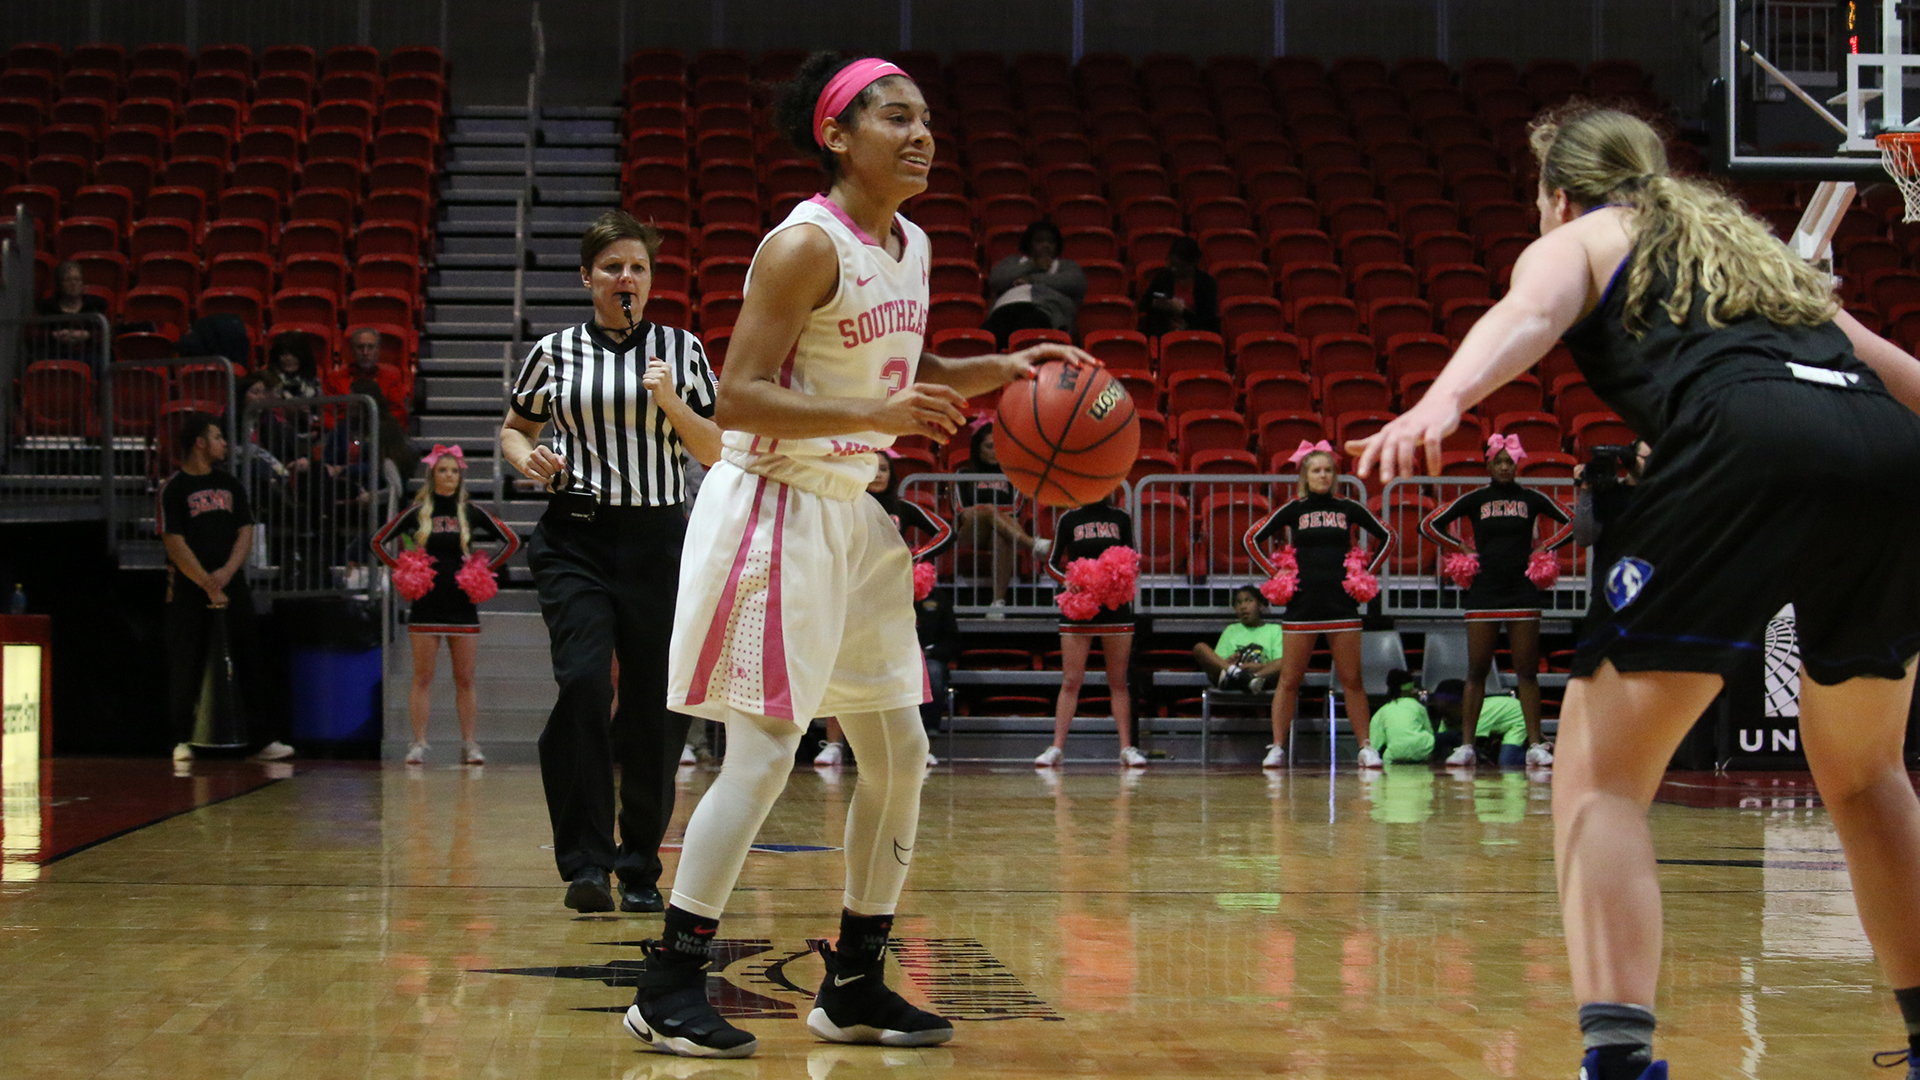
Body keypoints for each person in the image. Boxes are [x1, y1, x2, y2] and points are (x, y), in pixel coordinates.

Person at [1349, 104, 1920, 1080]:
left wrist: (1441, 400)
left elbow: (1526, 313)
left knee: (1602, 780)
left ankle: (1619, 1063)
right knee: (1869, 777)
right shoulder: (1754, 251)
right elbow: (1897, 373)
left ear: (1560, 193)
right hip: (1885, 454)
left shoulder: (1587, 232)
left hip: (1746, 442)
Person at [628, 52, 1097, 1059]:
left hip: (852, 518)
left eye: (925, 117)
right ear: (837, 136)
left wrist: (997, 370)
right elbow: (738, 394)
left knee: (901, 753)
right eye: (895, 117)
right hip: (772, 506)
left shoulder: (913, 244)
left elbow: (897, 367)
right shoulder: (802, 244)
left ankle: (852, 983)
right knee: (761, 754)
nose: (919, 134)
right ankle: (666, 982)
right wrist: (875, 413)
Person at [502, 208, 723, 916]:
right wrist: (527, 460)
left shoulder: (682, 351)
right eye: (612, 267)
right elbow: (514, 428)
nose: (626, 278)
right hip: (577, 535)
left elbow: (714, 450)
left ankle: (640, 866)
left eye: (638, 267)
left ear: (651, 279)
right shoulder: (555, 351)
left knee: (657, 710)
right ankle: (585, 862)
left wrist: (670, 402)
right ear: (587, 278)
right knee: (584, 686)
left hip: (658, 540)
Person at [1421, 434, 1572, 768]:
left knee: (1526, 671)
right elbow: (1429, 524)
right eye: (1498, 462)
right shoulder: (1476, 499)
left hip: (1522, 591)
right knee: (1476, 670)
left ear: (1517, 464)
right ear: (1488, 464)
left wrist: (1544, 546)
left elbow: (1571, 522)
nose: (1504, 467)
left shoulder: (1532, 498)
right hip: (1484, 591)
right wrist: (1459, 546)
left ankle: (1535, 743)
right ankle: (1467, 746)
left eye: (1509, 462)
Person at [1243, 445, 1393, 768]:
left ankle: (1366, 747)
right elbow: (1251, 538)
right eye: (1316, 470)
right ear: (1305, 476)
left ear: (1335, 475)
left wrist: (1366, 572)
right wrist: (1276, 573)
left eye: (1327, 470)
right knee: (1289, 679)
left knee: (1352, 679)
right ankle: (1278, 746)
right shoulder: (1294, 509)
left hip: (1342, 604)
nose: (1322, 475)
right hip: (1302, 605)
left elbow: (1387, 536)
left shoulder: (1348, 507)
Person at [372, 445, 521, 766]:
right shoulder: (418, 512)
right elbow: (378, 541)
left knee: (465, 678)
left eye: (454, 470)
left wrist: (484, 570)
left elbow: (511, 540)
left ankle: (470, 743)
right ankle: (419, 743)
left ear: (460, 476)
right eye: (443, 470)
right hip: (426, 603)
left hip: (462, 603)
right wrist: (402, 569)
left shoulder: (470, 511)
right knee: (422, 677)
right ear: (433, 475)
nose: (449, 475)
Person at [159, 411, 293, 765]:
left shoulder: (231, 485)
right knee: (187, 662)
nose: (224, 444)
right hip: (190, 590)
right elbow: (174, 541)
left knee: (249, 658)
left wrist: (227, 572)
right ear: (200, 443)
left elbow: (245, 530)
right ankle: (182, 739)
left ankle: (261, 739)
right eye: (217, 437)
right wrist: (205, 580)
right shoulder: (174, 489)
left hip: (231, 585)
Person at [815, 451, 955, 767]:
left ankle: (912, 743)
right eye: (872, 468)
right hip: (851, 593)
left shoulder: (903, 508)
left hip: (891, 599)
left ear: (892, 474)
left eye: (884, 469)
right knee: (843, 666)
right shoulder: (843, 504)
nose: (877, 474)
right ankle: (835, 745)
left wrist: (916, 556)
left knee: (897, 669)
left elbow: (945, 531)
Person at [1034, 493, 1140, 768]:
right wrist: (1070, 582)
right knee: (1071, 680)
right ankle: (1057, 747)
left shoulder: (1122, 518)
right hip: (1079, 606)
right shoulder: (1069, 518)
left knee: (1117, 680)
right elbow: (1051, 562)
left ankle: (1126, 748)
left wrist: (1117, 579)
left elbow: (1133, 559)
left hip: (1115, 606)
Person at [953, 421, 1049, 615]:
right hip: (970, 532)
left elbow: (1016, 508)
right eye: (989, 447)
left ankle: (997, 604)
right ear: (978, 449)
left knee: (1001, 537)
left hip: (1001, 530)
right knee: (991, 512)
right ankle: (1031, 544)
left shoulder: (1014, 476)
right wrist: (988, 511)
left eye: (998, 447)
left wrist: (989, 512)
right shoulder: (963, 475)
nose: (995, 452)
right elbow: (961, 510)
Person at [1191, 585, 1289, 766]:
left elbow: (1279, 661)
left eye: (1248, 601)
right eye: (1239, 603)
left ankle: (1248, 679)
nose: (1243, 607)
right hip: (1229, 677)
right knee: (1200, 648)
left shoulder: (1274, 630)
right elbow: (1218, 660)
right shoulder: (1231, 630)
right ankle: (1238, 675)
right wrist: (1229, 663)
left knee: (1289, 660)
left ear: (1260, 605)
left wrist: (1257, 667)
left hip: (1261, 678)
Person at [982, 219, 1086, 349]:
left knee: (1030, 323)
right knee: (991, 333)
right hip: (1005, 307)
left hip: (1044, 310)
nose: (1045, 245)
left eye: (1051, 242)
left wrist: (1032, 280)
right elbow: (996, 279)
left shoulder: (1066, 266)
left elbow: (1076, 283)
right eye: (1039, 241)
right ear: (1029, 244)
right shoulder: (1013, 262)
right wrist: (1033, 265)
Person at [1425, 678, 1529, 766]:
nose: (1445, 719)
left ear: (1464, 706)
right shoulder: (1447, 718)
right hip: (1498, 723)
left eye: (1448, 713)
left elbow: (1472, 742)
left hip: (1519, 718)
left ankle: (1532, 753)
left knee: (1507, 761)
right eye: (1441, 714)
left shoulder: (1478, 712)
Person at [1138, 236, 1220, 337]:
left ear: (1193, 264)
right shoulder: (1163, 278)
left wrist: (1182, 311)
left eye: (1179, 267)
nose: (1173, 269)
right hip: (1165, 334)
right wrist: (1156, 303)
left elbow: (1207, 321)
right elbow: (1144, 304)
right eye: (1171, 265)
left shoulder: (1206, 283)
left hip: (1197, 334)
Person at [324, 327, 411, 421]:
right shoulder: (335, 378)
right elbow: (326, 414)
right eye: (360, 347)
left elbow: (399, 412)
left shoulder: (391, 378)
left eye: (370, 347)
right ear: (351, 350)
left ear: (378, 350)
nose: (365, 353)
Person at [34, 259, 108, 363]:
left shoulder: (97, 305)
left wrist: (87, 335)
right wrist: (54, 335)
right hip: (54, 354)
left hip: (89, 354)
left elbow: (109, 332)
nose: (73, 284)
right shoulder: (46, 307)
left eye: (77, 280)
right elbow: (32, 333)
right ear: (59, 284)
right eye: (68, 280)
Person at [1370, 669, 1436, 764]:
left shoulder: (1381, 711)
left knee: (1387, 757)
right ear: (1411, 687)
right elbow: (1429, 731)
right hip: (1423, 748)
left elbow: (1375, 743)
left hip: (1395, 753)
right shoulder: (1418, 706)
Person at [267, 331, 323, 398]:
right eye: (284, 354)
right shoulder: (268, 380)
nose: (289, 358)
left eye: (294, 354)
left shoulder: (313, 379)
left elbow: (319, 406)